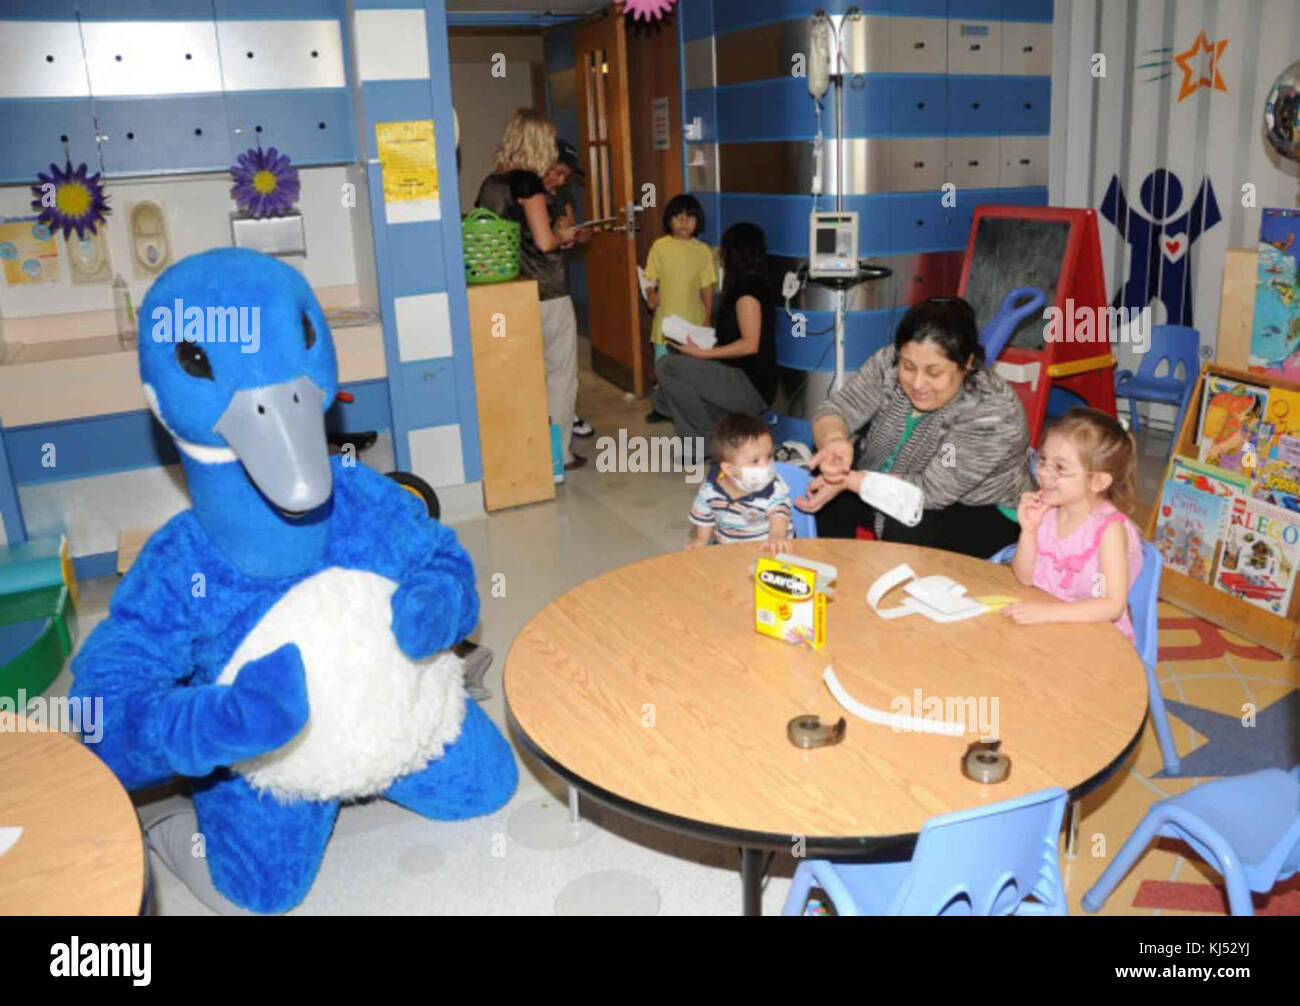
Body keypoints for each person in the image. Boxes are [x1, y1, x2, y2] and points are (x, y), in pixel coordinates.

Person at [796, 297, 1033, 557]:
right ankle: (831, 569)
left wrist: (848, 480)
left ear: (966, 364)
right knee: (826, 476)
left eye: (934, 373)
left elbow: (931, 492)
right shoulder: (889, 363)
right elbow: (836, 410)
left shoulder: (991, 412)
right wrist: (834, 442)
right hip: (896, 474)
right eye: (908, 367)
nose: (918, 383)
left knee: (903, 522)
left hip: (979, 509)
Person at [474, 110, 584, 470]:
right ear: (537, 142)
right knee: (559, 375)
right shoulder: (529, 185)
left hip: (503, 295)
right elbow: (545, 241)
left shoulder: (491, 183)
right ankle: (558, 455)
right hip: (546, 293)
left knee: (513, 375)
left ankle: (517, 453)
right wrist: (563, 235)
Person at [1005, 408, 1144, 641]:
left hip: (1096, 632)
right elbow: (1024, 577)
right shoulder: (1049, 511)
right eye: (1043, 460)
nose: (1044, 473)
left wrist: (1048, 614)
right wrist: (1028, 531)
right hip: (1048, 620)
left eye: (1060, 468)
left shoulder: (1109, 530)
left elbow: (1111, 605)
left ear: (1098, 481)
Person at [652, 222, 776, 451]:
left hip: (748, 385)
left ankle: (706, 443)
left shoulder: (747, 292)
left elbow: (750, 345)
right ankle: (711, 436)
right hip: (736, 376)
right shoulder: (750, 285)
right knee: (663, 395)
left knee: (667, 367)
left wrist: (704, 354)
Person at [645, 194, 717, 422]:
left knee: (689, 370)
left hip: (692, 323)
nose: (683, 221)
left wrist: (707, 317)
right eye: (677, 216)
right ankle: (662, 408)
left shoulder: (702, 250)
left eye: (689, 217)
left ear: (698, 221)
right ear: (669, 220)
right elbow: (650, 279)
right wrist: (651, 294)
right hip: (664, 323)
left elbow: (707, 287)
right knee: (663, 368)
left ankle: (688, 409)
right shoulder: (660, 246)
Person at [542, 139, 595, 441]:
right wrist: (557, 234)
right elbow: (544, 240)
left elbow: (575, 229)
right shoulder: (528, 192)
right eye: (557, 172)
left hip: (556, 286)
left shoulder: (562, 194)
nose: (560, 181)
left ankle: (563, 420)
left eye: (565, 176)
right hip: (527, 292)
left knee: (562, 365)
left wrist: (576, 234)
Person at [687, 414, 792, 553]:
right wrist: (701, 540)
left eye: (769, 456)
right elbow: (703, 515)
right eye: (755, 461)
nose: (766, 466)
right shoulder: (711, 489)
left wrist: (777, 536)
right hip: (729, 550)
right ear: (729, 469)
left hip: (768, 548)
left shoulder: (773, 486)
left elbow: (779, 514)